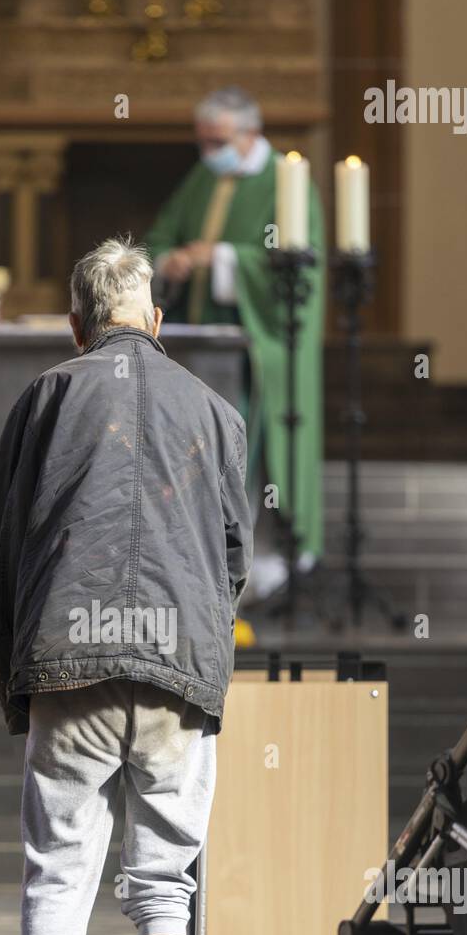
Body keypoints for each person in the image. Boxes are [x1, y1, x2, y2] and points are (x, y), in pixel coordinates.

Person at [0, 236, 252, 935]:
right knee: (163, 882)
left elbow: (2, 554)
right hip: (180, 666)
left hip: (67, 662)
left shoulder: (45, 397)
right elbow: (234, 561)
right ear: (156, 320)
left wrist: (14, 681)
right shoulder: (215, 410)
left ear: (75, 323)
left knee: (58, 872)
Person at [144, 85, 325, 600]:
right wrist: (171, 258)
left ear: (250, 135)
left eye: (217, 141)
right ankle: (202, 556)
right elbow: (161, 235)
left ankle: (266, 556)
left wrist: (221, 258)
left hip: (257, 348)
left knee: (256, 450)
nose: (208, 152)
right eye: (202, 142)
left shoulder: (287, 183)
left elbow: (296, 267)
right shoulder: (205, 177)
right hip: (203, 348)